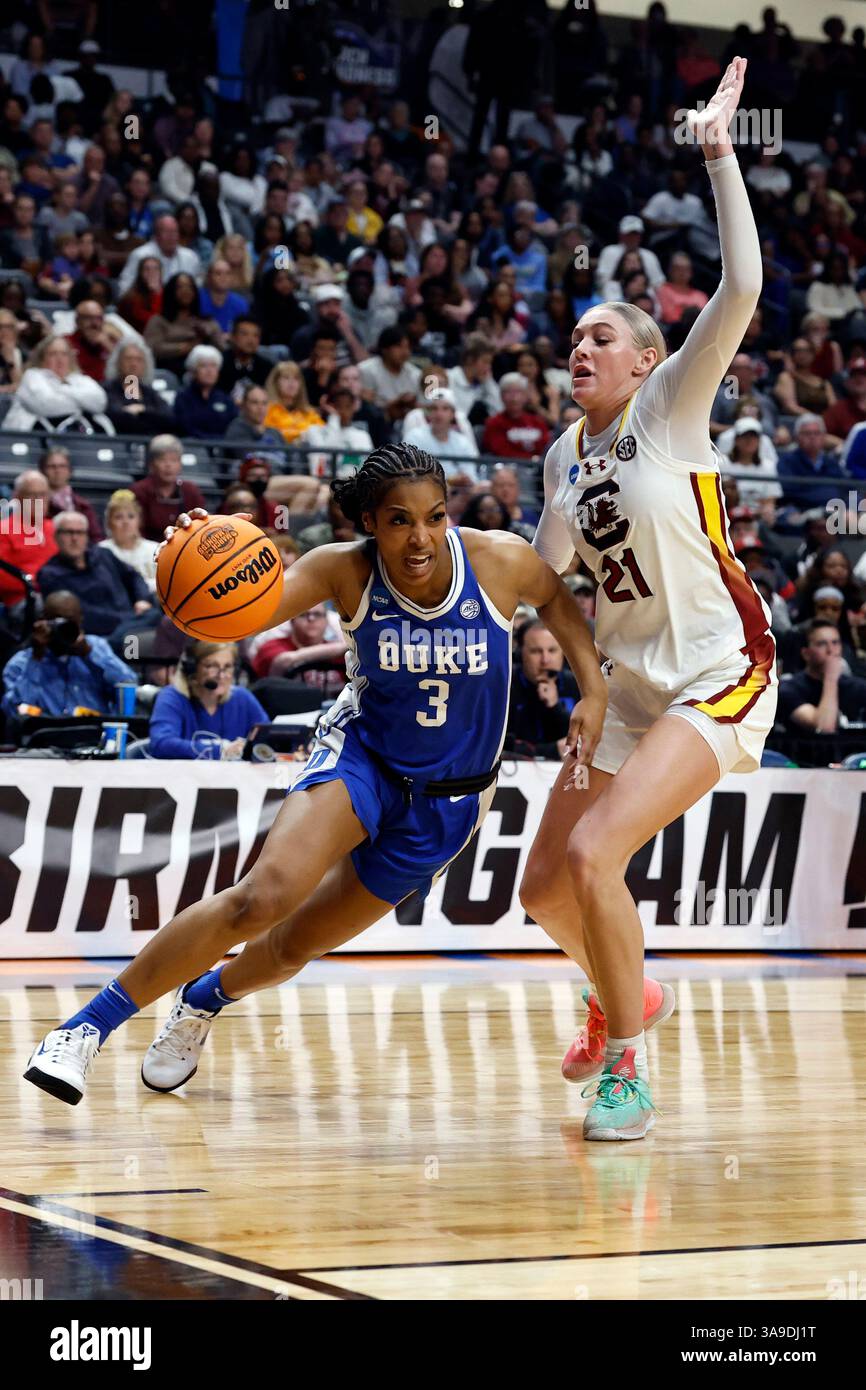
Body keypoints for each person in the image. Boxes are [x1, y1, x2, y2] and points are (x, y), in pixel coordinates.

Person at [23, 443, 606, 1107]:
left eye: (434, 516)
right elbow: (227, 614)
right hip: (364, 759)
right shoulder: (342, 570)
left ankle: (203, 1000)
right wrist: (179, 564)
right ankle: (81, 1032)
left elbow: (558, 600)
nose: (420, 538)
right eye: (398, 521)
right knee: (262, 899)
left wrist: (592, 688)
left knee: (295, 946)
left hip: (450, 802)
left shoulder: (499, 560)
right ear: (366, 523)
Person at [522, 60, 779, 1140]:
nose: (578, 347)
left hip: (717, 673)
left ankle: (629, 1061)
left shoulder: (670, 407)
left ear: (641, 360)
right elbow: (542, 587)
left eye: (599, 338)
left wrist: (717, 153)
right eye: (572, 336)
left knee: (594, 859)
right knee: (543, 890)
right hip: (627, 689)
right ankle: (624, 989)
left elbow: (741, 292)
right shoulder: (557, 459)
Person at [2, 590, 136, 724]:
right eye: (58, 622)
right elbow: (13, 712)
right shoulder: (21, 663)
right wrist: (36, 659)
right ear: (44, 620)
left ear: (80, 619)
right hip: (47, 738)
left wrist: (89, 654)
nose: (64, 628)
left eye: (70, 622)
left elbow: (129, 685)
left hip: (95, 734)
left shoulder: (96, 647)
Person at [37, 510, 157, 645]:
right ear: (56, 537)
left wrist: (142, 599)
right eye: (69, 532)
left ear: (86, 536)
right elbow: (82, 615)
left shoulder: (103, 555)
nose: (74, 538)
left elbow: (133, 576)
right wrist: (126, 620)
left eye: (80, 532)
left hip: (132, 620)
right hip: (98, 633)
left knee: (165, 616)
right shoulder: (49, 574)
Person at [148, 641, 268, 759]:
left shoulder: (242, 698)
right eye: (211, 666)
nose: (221, 676)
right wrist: (220, 750)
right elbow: (161, 744)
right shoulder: (172, 696)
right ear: (192, 668)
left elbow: (269, 738)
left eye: (227, 667)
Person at [2, 335, 109, 433]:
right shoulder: (33, 376)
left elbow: (100, 402)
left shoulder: (81, 379)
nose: (60, 359)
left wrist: (61, 390)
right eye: (53, 354)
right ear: (42, 358)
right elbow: (45, 405)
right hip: (31, 438)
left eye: (64, 354)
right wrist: (83, 404)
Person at [777, 620, 866, 738]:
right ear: (806, 654)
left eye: (835, 643)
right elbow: (824, 729)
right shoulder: (788, 689)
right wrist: (830, 678)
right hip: (806, 754)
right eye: (821, 644)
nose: (831, 650)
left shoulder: (859, 687)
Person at [505, 619, 579, 759]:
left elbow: (582, 740)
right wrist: (550, 750)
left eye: (552, 650)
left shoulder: (577, 684)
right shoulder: (506, 685)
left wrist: (554, 707)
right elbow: (501, 746)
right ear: (520, 653)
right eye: (536, 651)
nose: (545, 660)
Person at [247, 602, 348, 693]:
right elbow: (284, 661)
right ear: (292, 621)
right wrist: (343, 647)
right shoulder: (272, 646)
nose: (311, 619)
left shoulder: (340, 653)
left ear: (327, 621)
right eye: (303, 614)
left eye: (317, 614)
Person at [131, 435, 207, 542]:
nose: (168, 465)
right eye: (162, 460)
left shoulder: (191, 491)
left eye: (173, 460)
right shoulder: (139, 491)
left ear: (180, 464)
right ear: (152, 464)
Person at [0, 470, 58, 608]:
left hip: (58, 594)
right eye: (32, 495)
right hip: (23, 599)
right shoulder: (4, 530)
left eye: (43, 494)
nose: (39, 500)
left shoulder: (57, 528)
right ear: (17, 498)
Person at [99, 489, 158, 592]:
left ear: (139, 521)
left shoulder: (155, 549)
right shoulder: (101, 550)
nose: (125, 522)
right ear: (109, 523)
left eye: (131, 516)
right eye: (118, 517)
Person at [481, 373, 551, 459]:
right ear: (501, 396)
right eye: (509, 392)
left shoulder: (538, 422)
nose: (514, 398)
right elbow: (501, 452)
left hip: (539, 468)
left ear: (526, 396)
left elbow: (548, 447)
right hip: (508, 467)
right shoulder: (494, 423)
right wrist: (530, 458)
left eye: (518, 392)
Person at [39, 446, 103, 541]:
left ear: (70, 471)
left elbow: (96, 538)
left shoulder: (83, 506)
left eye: (62, 466)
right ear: (43, 471)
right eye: (52, 466)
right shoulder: (35, 504)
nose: (57, 471)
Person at [173, 345, 237, 439]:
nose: (209, 371)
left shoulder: (225, 399)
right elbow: (185, 429)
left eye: (213, 366)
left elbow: (233, 427)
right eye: (203, 366)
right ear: (193, 371)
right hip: (194, 447)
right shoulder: (183, 398)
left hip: (223, 448)